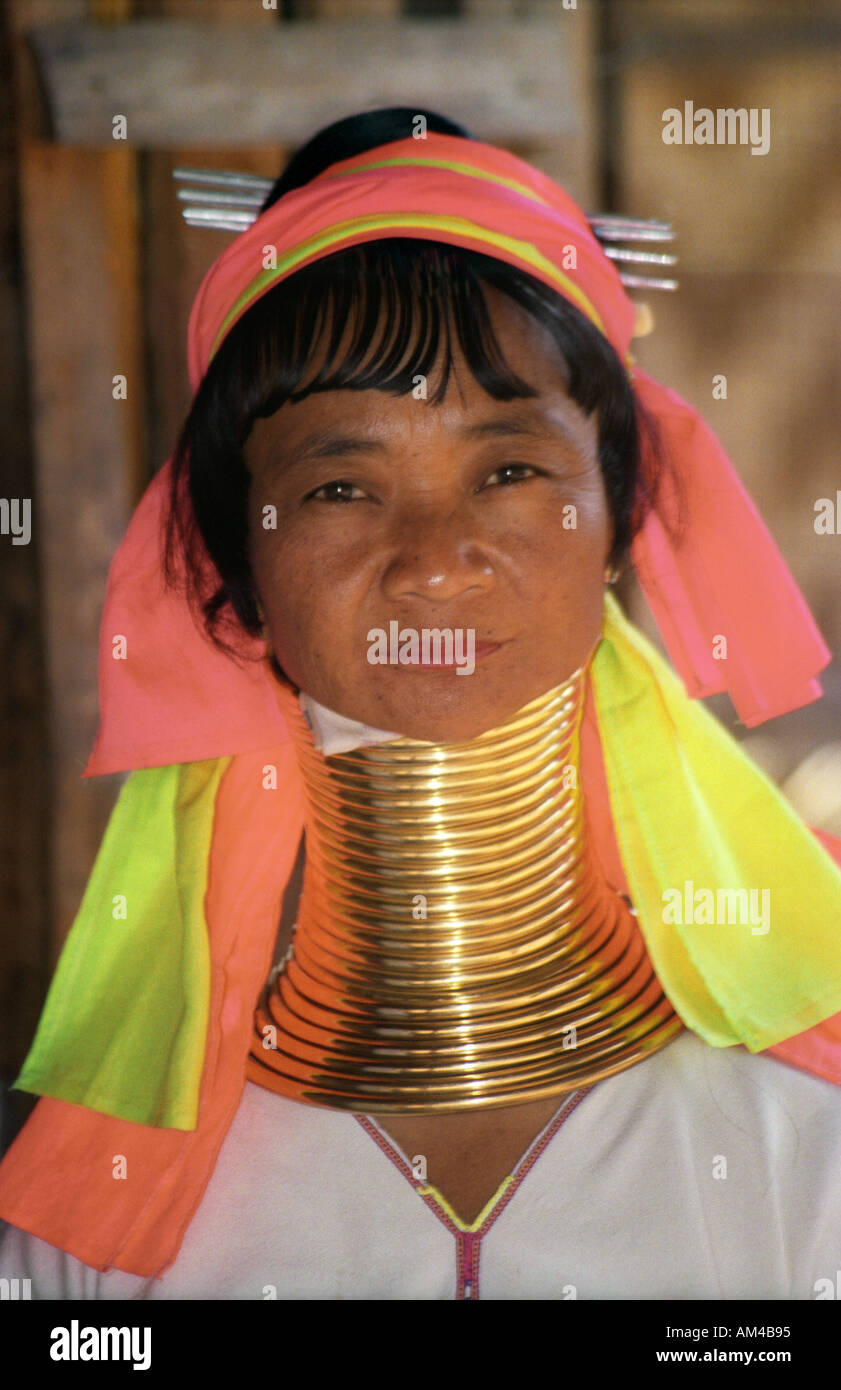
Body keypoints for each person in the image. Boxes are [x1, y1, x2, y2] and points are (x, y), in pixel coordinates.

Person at [2, 107, 841, 1301]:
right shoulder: (93, 1225)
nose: (434, 561)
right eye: (342, 484)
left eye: (508, 470)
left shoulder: (802, 1154)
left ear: (614, 521)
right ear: (235, 566)